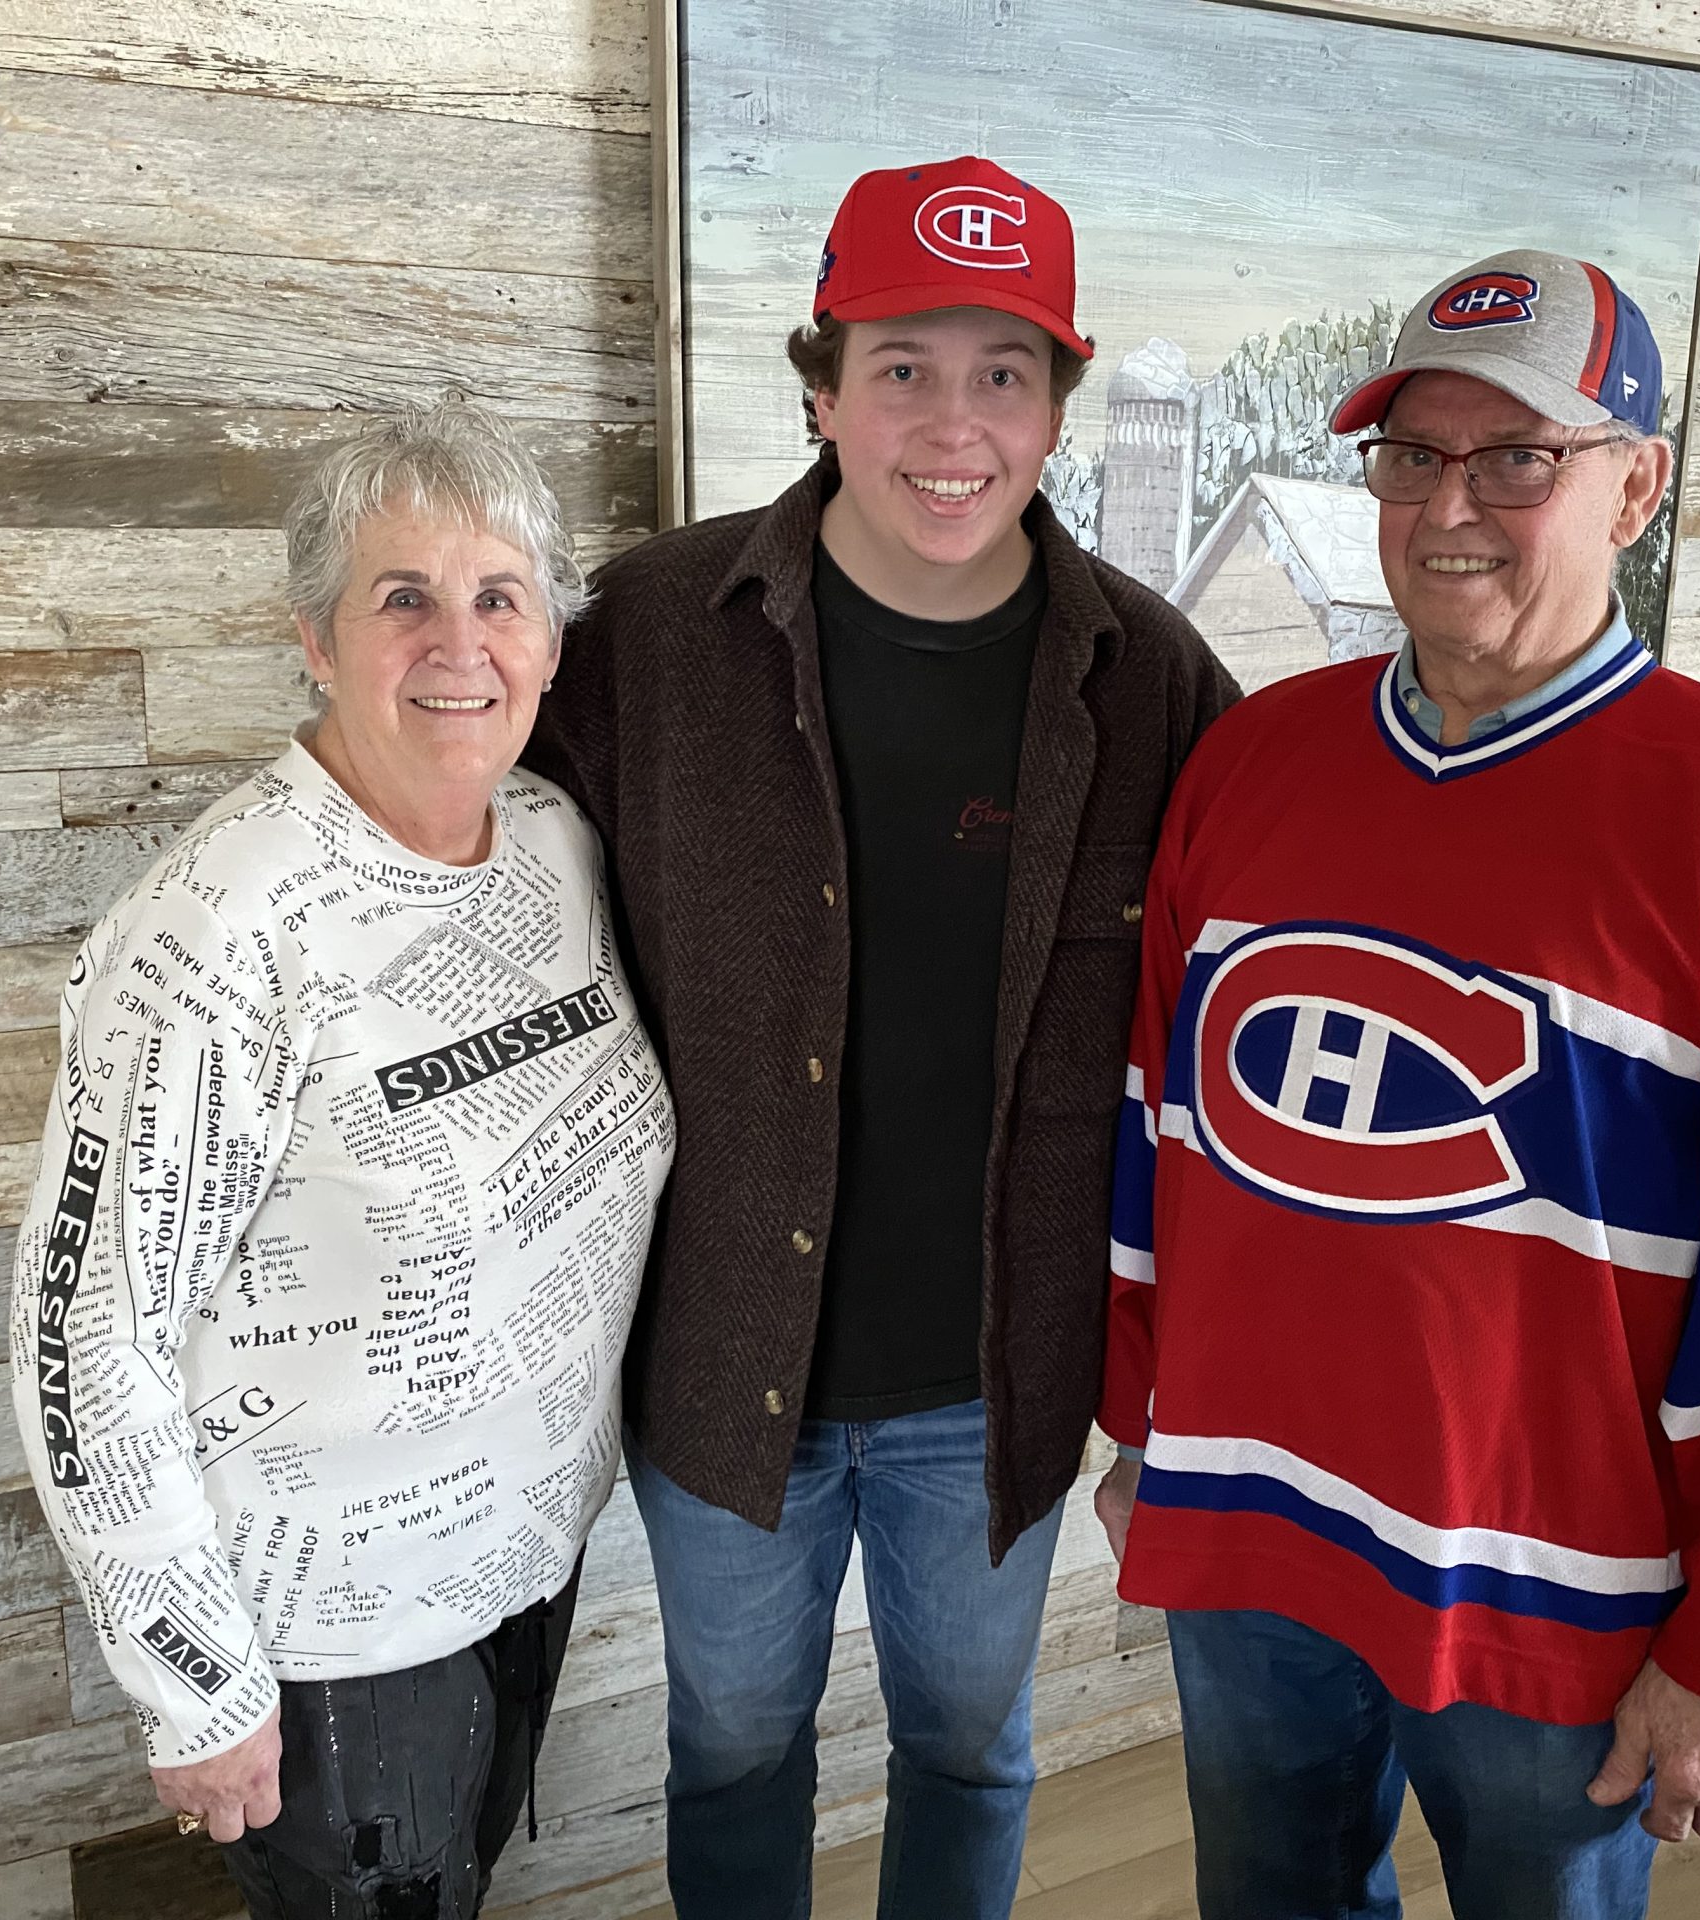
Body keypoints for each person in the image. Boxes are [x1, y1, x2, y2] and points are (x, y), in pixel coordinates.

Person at [1092, 249, 1700, 1920]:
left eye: (1519, 457)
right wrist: (1145, 1423)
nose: (1448, 504)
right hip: (1253, 1524)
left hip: (1561, 1584)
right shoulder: (1253, 762)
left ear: (1636, 489)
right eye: (1412, 455)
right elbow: (1157, 1124)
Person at [524, 155, 1237, 1918]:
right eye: (903, 364)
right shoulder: (645, 642)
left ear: (1061, 407)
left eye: (1004, 371)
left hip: (990, 1387)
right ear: (822, 387)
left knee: (974, 1753)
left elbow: (1217, 1052)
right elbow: (487, 924)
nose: (953, 423)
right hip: (716, 1363)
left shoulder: (1154, 684)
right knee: (736, 1751)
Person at [7, 402, 674, 1920]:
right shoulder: (216, 930)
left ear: (552, 643)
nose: (460, 642)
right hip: (329, 1627)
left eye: (499, 596)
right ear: (314, 638)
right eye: (402, 599)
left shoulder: (558, 844)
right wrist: (194, 1676)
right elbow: (84, 1328)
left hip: (525, 1552)